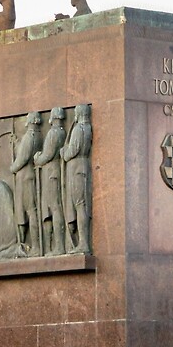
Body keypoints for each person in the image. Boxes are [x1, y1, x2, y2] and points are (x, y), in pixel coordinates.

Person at [33, 107, 67, 255]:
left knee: (54, 207)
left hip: (51, 173)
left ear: (52, 118)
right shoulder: (62, 132)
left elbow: (47, 155)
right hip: (52, 172)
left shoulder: (53, 133)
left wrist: (37, 159)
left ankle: (59, 247)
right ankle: (53, 246)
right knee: (52, 208)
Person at [10, 111, 43, 255]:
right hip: (27, 175)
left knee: (30, 211)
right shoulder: (38, 135)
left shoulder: (30, 136)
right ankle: (26, 244)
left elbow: (23, 158)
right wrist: (17, 142)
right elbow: (24, 151)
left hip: (24, 176)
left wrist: (13, 168)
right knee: (27, 211)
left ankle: (35, 246)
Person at [60, 104, 92, 254]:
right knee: (81, 205)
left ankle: (83, 243)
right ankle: (82, 242)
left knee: (79, 205)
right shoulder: (87, 128)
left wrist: (63, 152)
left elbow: (70, 152)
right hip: (82, 167)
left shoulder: (79, 129)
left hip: (76, 169)